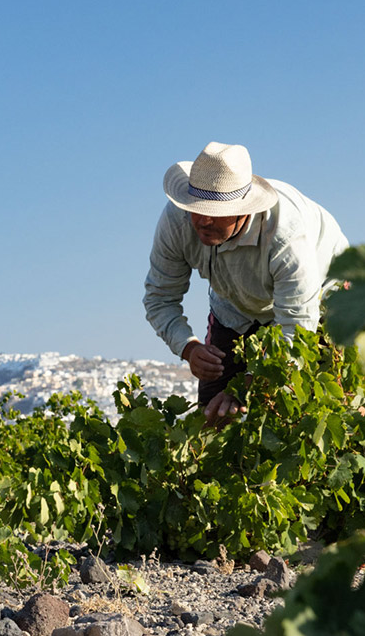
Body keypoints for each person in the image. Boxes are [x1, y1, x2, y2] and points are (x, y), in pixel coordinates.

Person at [143, 141, 348, 424]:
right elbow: (159, 298)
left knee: (307, 411)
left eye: (213, 211)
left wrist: (244, 388)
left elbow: (298, 324)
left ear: (243, 210)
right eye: (195, 208)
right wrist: (189, 349)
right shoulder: (177, 221)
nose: (201, 220)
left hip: (322, 302)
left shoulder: (285, 235)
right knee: (213, 414)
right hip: (235, 308)